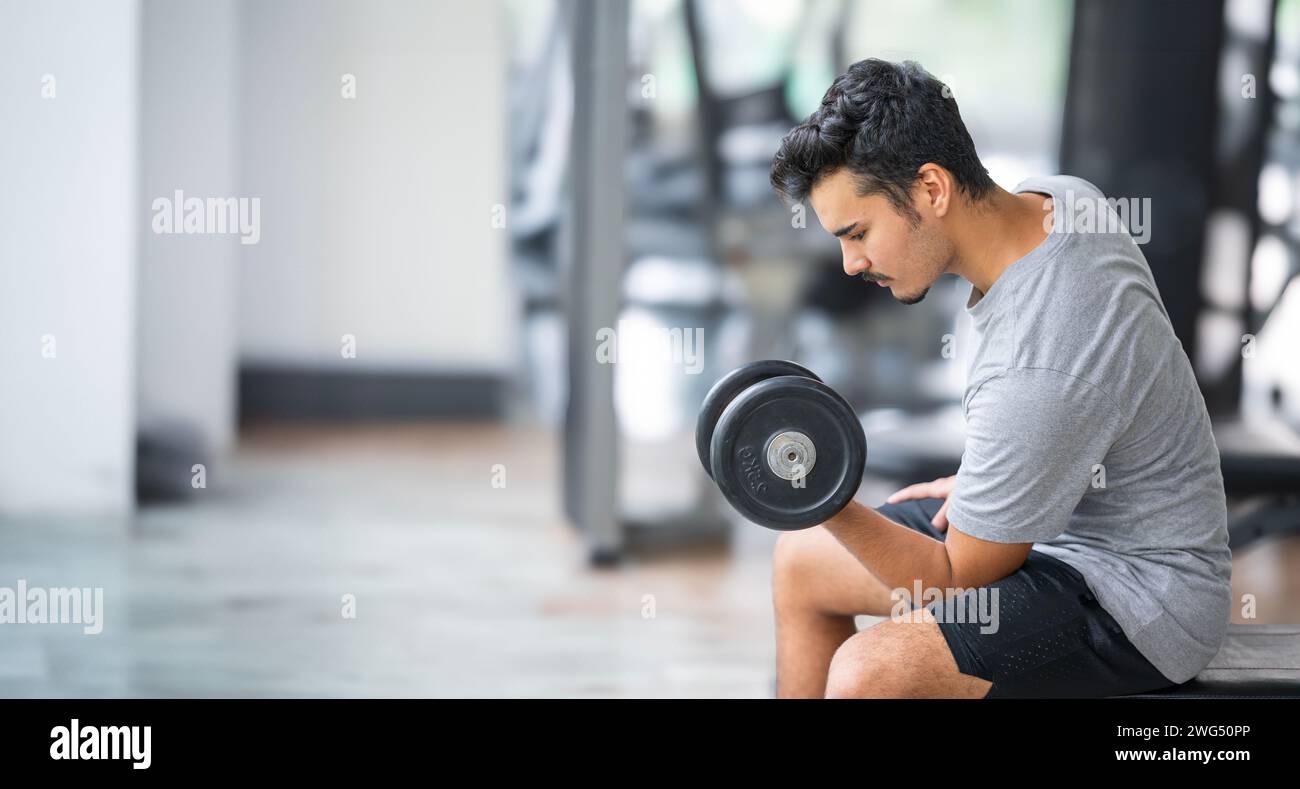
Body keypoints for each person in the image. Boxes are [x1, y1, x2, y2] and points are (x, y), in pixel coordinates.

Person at [766, 58, 1232, 698]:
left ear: (932, 188)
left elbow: (953, 580)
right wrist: (995, 477)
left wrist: (821, 497)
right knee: (803, 563)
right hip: (1068, 521)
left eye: (858, 232)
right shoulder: (1063, 200)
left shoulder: (1040, 356)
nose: (851, 264)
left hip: (1140, 599)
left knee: (870, 675)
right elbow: (1080, 408)